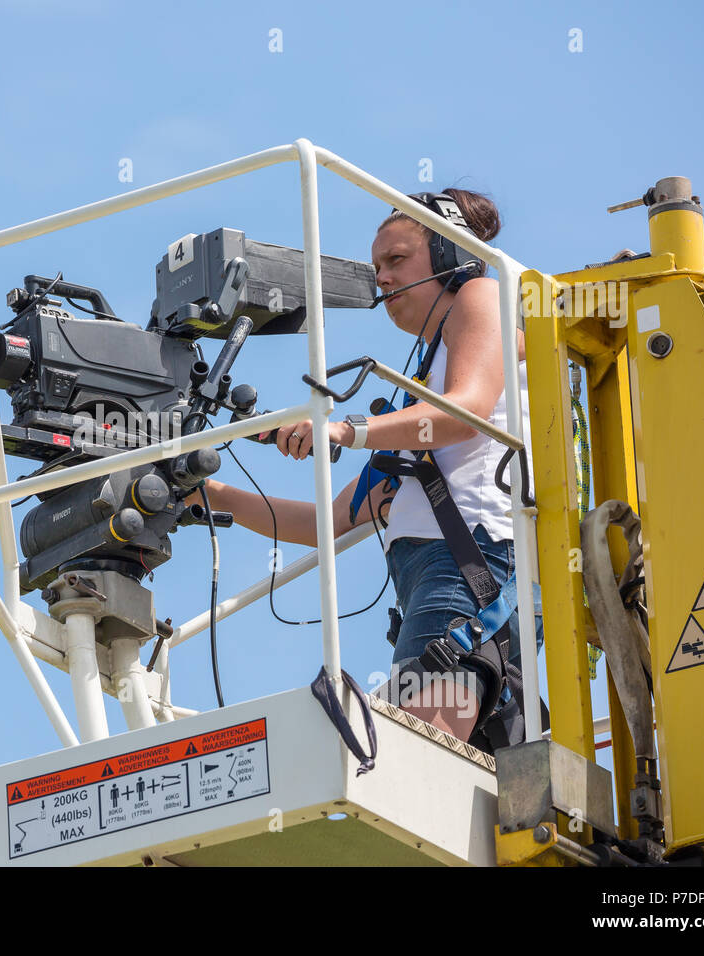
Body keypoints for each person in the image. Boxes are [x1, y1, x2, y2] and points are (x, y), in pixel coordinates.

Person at [189, 188, 544, 745]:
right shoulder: (419, 402)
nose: (381, 277)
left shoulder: (479, 293)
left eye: (397, 260)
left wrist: (345, 430)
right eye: (378, 265)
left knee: (418, 768)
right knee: (437, 785)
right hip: (452, 585)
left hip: (463, 577)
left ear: (453, 259)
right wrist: (213, 496)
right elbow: (329, 523)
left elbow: (468, 411)